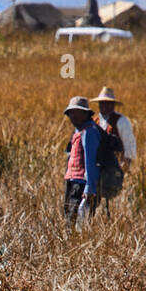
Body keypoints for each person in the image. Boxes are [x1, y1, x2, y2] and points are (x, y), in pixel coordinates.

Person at [62, 96, 101, 227]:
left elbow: (91, 161)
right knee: (69, 216)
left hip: (81, 184)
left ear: (85, 114)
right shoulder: (78, 131)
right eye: (71, 113)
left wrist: (89, 188)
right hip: (72, 182)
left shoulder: (89, 132)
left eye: (76, 112)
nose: (72, 116)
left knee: (75, 221)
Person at [91, 87, 136, 174]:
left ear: (113, 105)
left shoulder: (122, 121)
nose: (103, 106)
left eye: (107, 103)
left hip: (116, 167)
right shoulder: (94, 121)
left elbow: (129, 144)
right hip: (97, 167)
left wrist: (125, 165)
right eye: (101, 103)